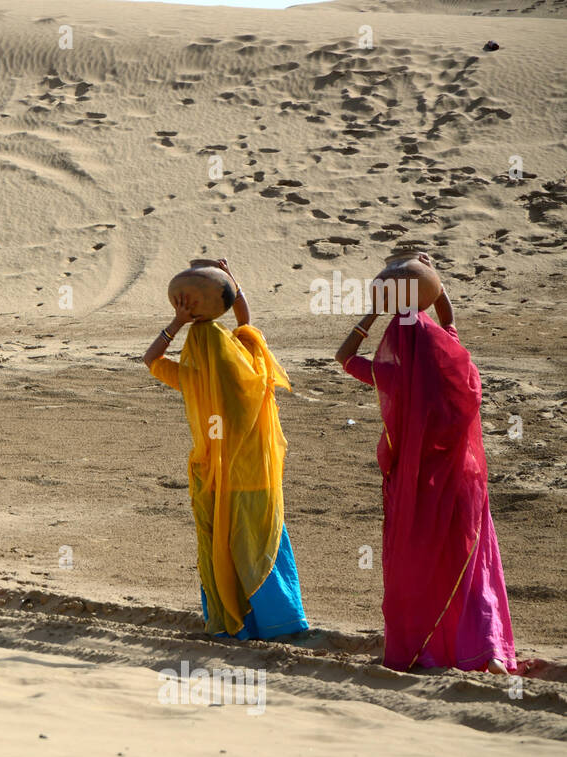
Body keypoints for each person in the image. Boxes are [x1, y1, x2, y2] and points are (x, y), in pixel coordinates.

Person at [335, 253, 517, 673]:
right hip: (462, 480)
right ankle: (487, 648)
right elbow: (446, 319)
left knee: (420, 563)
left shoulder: (390, 374)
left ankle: (429, 652)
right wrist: (432, 287)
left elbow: (343, 358)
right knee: (469, 561)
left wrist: (376, 313)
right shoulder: (454, 364)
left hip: (415, 486)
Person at [142, 259, 308, 639]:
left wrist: (178, 323)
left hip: (215, 476)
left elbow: (151, 360)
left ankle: (237, 624)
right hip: (255, 474)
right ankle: (282, 621)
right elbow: (247, 327)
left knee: (223, 548)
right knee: (263, 542)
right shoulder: (250, 365)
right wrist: (233, 282)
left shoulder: (192, 374)